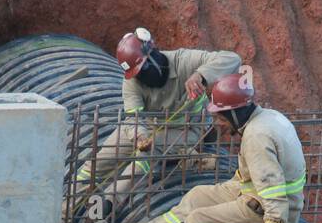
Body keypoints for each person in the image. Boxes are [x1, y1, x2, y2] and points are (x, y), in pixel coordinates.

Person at [102, 72, 306, 223]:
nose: (219, 122)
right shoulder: (266, 117)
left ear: (234, 113)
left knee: (198, 219)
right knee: (196, 195)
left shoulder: (257, 136)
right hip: (248, 188)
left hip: (265, 205)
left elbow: (272, 187)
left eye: (221, 116)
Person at [82, 29, 241, 199]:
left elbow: (233, 59)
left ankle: (107, 204)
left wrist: (200, 75)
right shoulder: (132, 82)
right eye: (136, 74)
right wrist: (140, 137)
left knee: (146, 155)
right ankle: (64, 212)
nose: (140, 78)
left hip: (187, 129)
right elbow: (132, 119)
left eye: (142, 71)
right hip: (149, 127)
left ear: (152, 55)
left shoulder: (183, 61)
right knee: (98, 163)